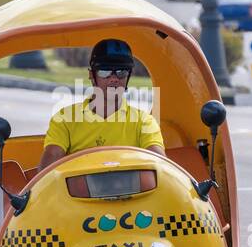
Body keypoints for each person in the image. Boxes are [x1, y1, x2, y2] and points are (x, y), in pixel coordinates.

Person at [36, 38, 165, 172]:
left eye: (122, 72)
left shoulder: (144, 122)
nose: (114, 78)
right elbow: (46, 171)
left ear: (128, 77)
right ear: (91, 75)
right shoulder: (64, 118)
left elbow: (161, 166)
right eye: (105, 71)